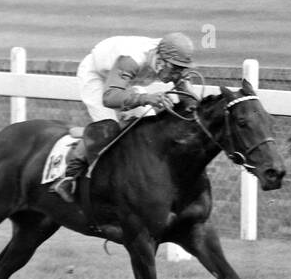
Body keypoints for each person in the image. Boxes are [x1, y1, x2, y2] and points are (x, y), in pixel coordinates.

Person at [51, 33, 196, 204]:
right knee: (109, 128)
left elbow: (190, 102)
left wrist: (192, 101)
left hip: (129, 82)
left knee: (147, 127)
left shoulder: (173, 62)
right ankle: (68, 177)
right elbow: (110, 97)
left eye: (181, 69)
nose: (175, 75)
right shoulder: (132, 59)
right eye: (174, 69)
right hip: (98, 77)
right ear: (160, 60)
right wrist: (146, 99)